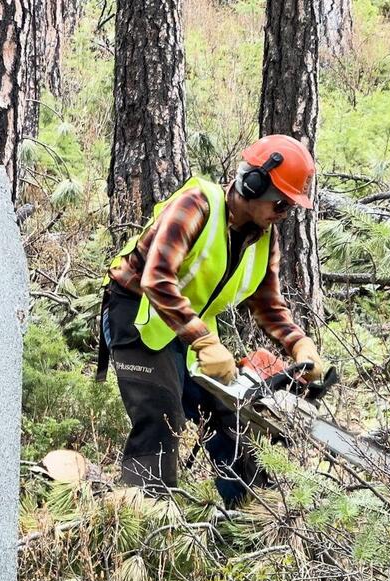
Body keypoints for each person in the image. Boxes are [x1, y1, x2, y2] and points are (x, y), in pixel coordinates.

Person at [99, 134, 325, 508]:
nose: (283, 213)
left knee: (228, 414)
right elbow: (156, 278)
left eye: (290, 207)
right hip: (136, 313)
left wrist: (300, 343)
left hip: (190, 327)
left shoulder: (263, 238)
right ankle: (145, 522)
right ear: (254, 183)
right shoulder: (196, 204)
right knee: (160, 416)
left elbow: (267, 302)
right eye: (281, 203)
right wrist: (204, 341)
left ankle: (255, 515)